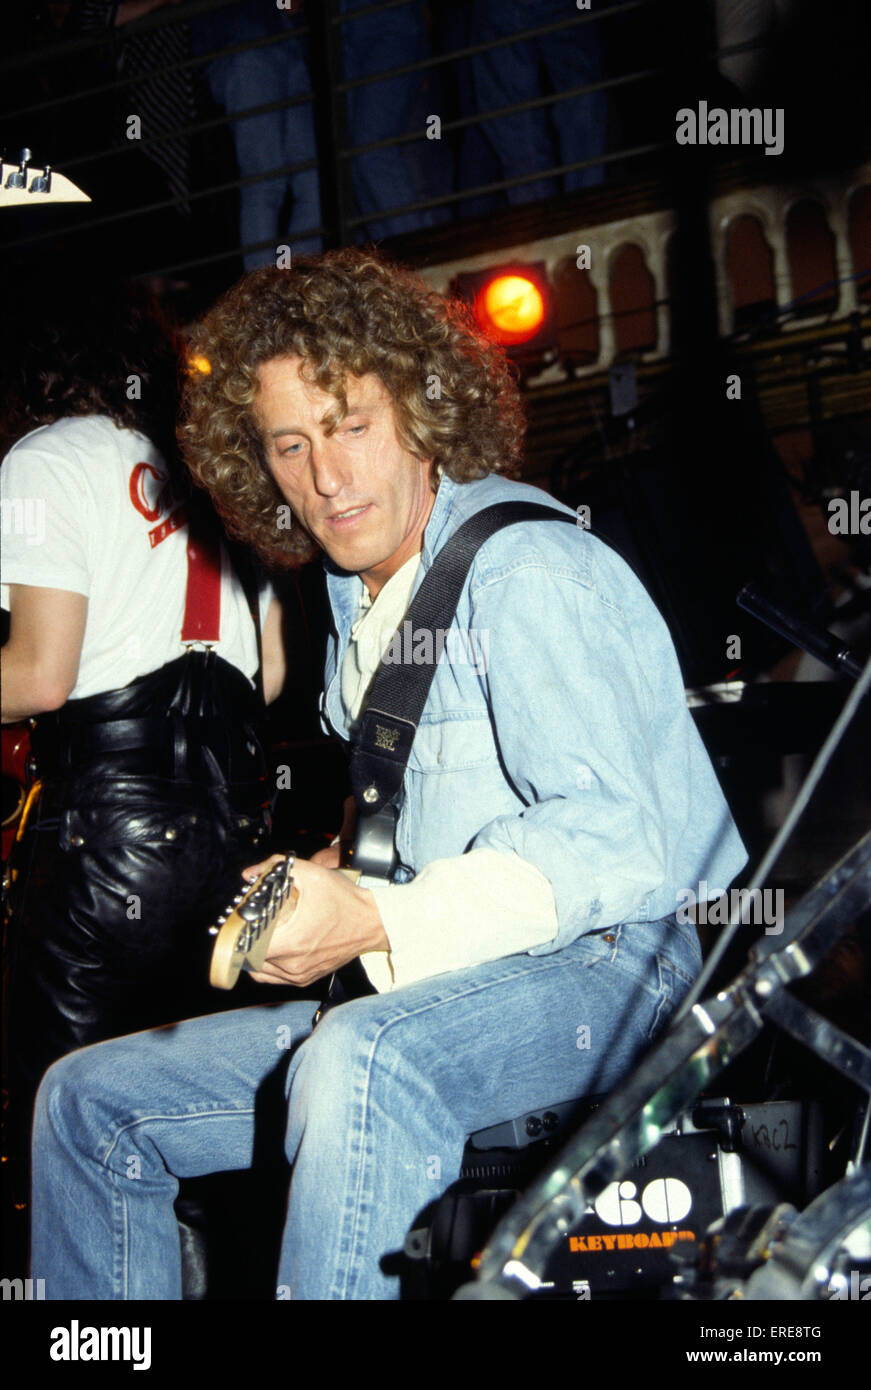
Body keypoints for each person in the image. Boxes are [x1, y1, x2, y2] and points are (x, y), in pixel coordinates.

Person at [30, 249, 746, 1300]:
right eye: (289, 443)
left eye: (351, 424)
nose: (325, 475)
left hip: (611, 968)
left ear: (420, 413)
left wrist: (369, 923)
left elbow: (625, 842)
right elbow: (416, 831)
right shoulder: (353, 601)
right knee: (86, 1100)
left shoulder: (528, 569)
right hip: (447, 985)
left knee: (357, 1059)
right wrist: (318, 890)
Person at [1, 273, 286, 1168]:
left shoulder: (46, 458)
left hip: (108, 837)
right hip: (236, 845)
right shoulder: (220, 468)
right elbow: (271, 676)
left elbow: (41, 676)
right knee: (194, 1136)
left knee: (62, 1135)